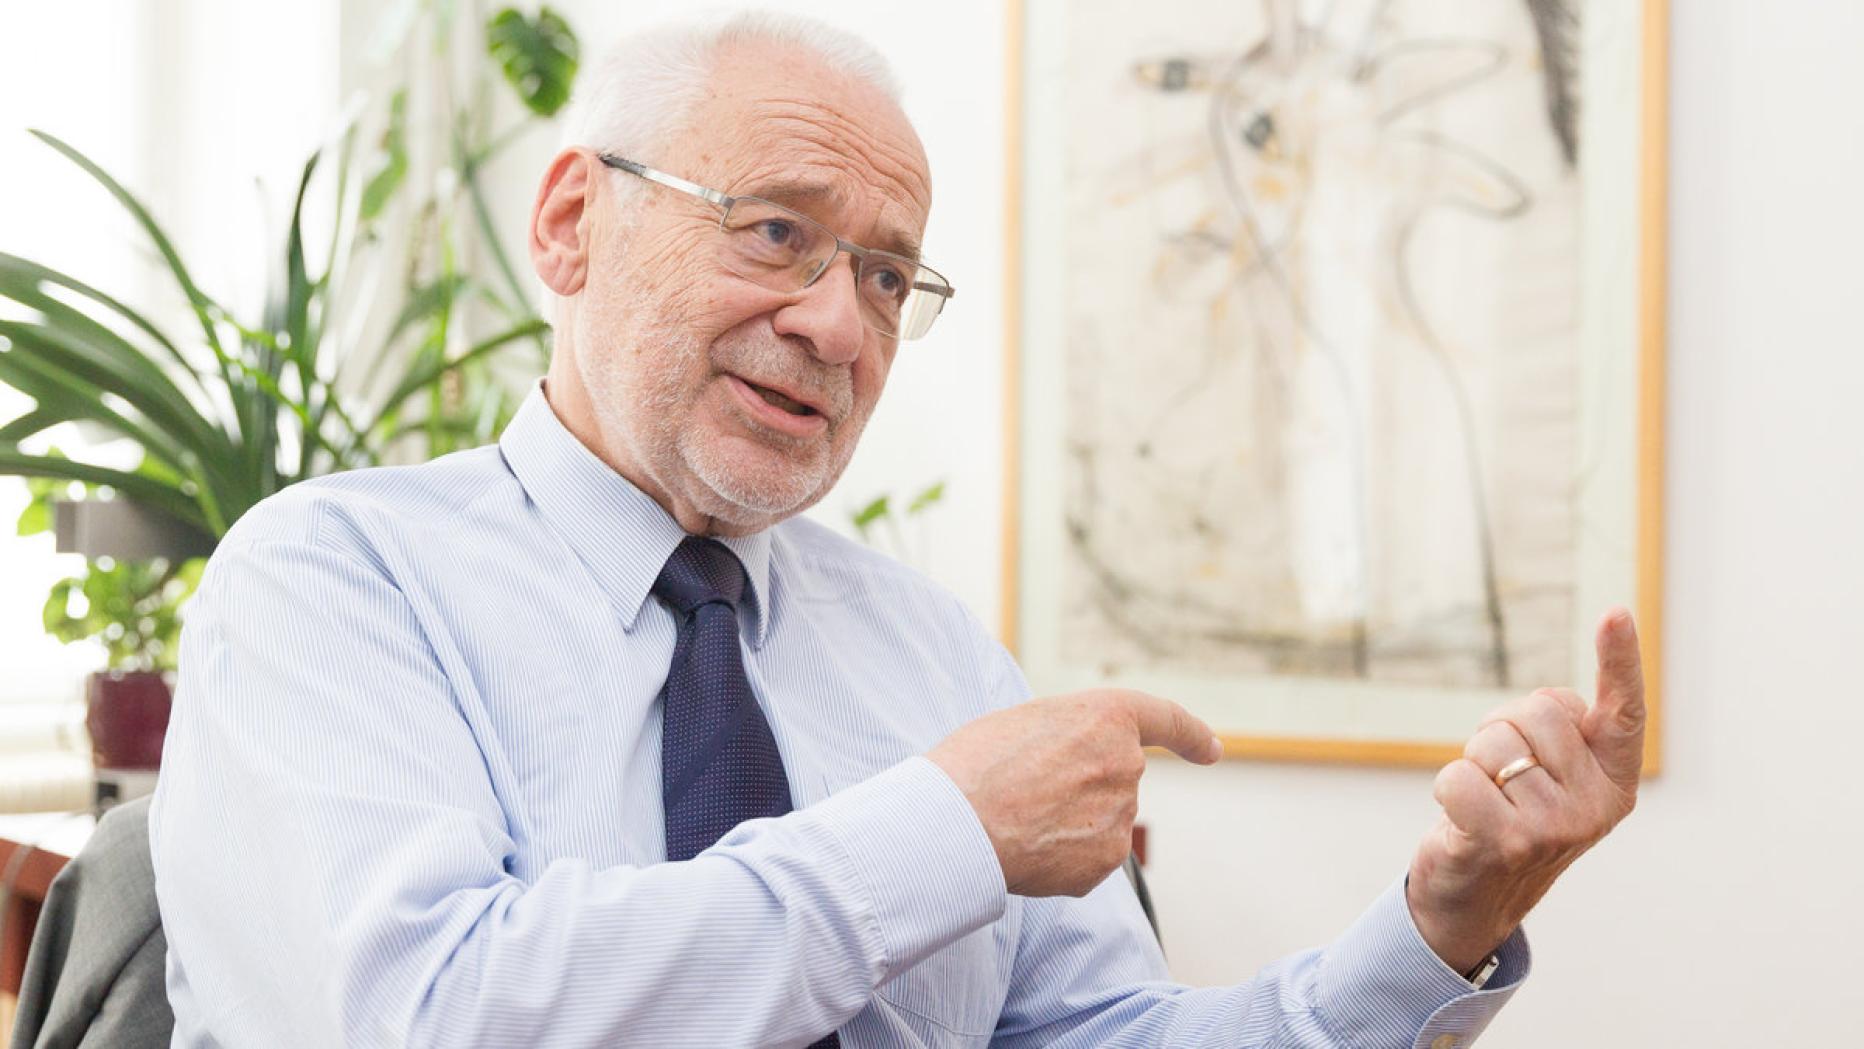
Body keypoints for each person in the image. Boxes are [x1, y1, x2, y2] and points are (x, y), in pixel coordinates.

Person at [148, 12, 1644, 1047]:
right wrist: (945, 831)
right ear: (569, 224)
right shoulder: (329, 580)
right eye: (777, 230)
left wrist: (1436, 930)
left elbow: (1110, 1035)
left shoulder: (932, 653)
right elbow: (428, 1015)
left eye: (884, 275)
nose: (836, 325)